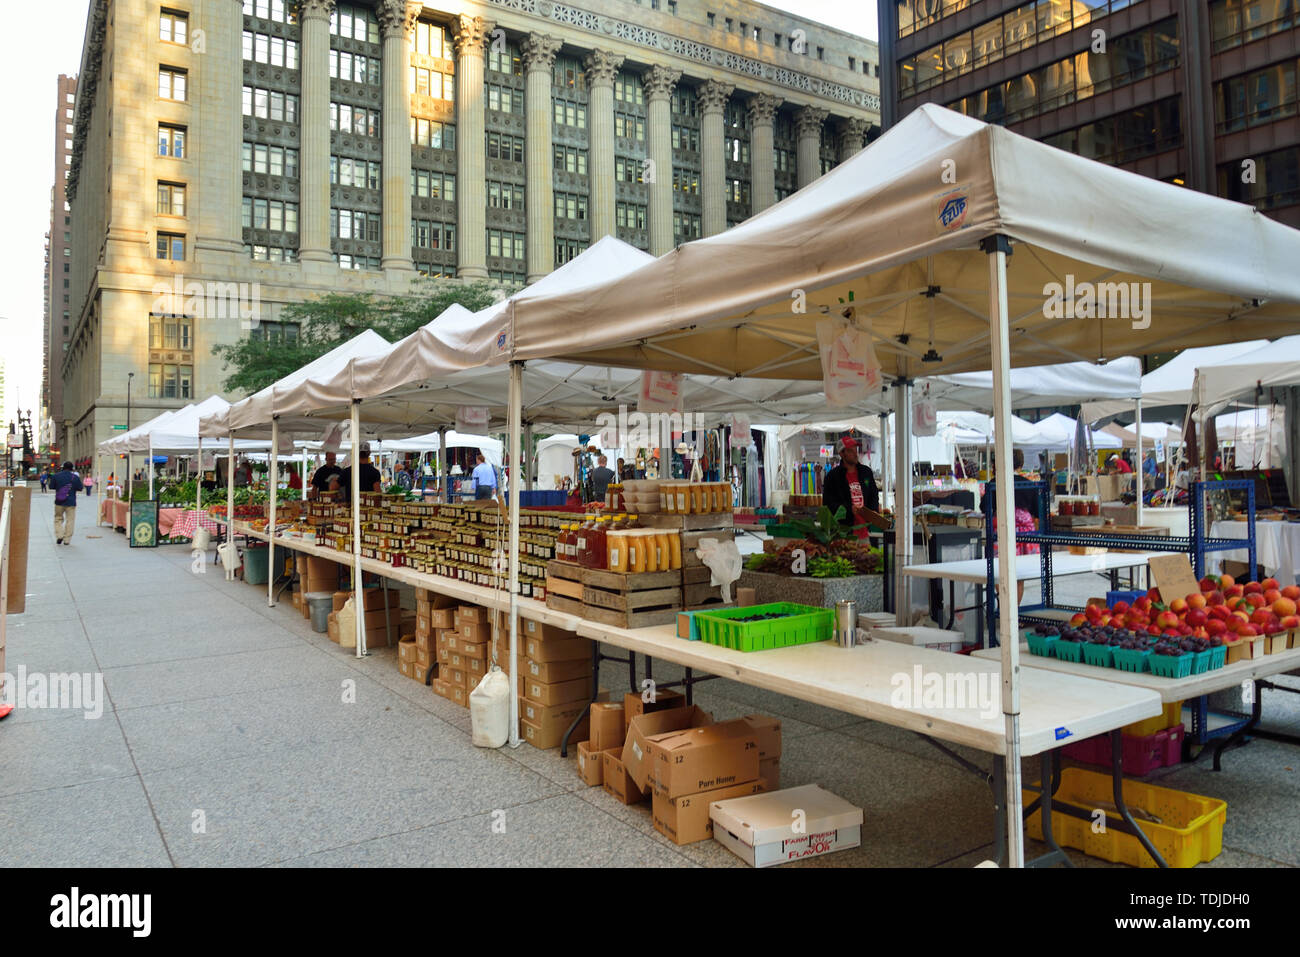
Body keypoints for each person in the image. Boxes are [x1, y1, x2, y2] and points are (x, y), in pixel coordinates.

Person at [822, 437, 879, 539]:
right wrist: (848, 509)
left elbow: (874, 494)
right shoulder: (832, 477)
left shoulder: (866, 472)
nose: (855, 454)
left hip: (865, 531)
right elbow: (828, 504)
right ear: (841, 454)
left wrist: (874, 510)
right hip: (843, 533)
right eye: (850, 451)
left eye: (855, 450)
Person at [50, 461, 85, 546]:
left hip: (59, 501)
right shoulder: (75, 477)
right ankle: (67, 539)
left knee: (58, 518)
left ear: (63, 467)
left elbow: (51, 486)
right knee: (70, 520)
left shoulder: (56, 476)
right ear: (72, 468)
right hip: (71, 501)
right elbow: (80, 488)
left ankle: (60, 535)